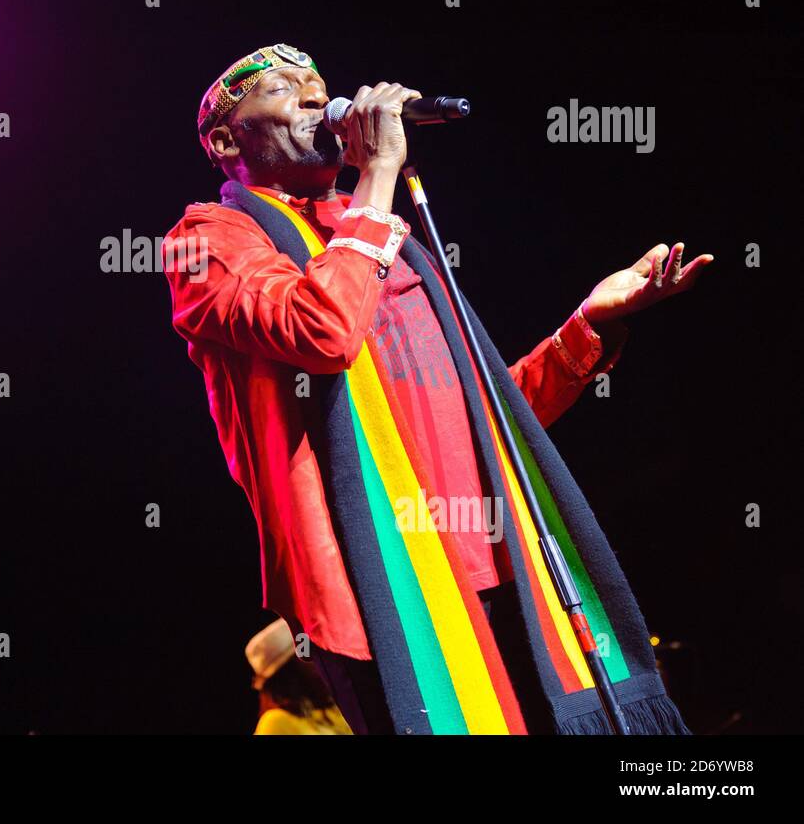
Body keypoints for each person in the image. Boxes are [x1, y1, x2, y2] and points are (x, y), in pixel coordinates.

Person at [163, 44, 711, 734]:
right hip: (383, 585)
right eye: (283, 88)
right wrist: (381, 175)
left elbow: (486, 419)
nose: (313, 97)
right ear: (224, 140)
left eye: (318, 84)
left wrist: (588, 325)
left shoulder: (380, 234)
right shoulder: (207, 240)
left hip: (502, 557)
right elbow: (322, 333)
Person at [247, 618, 352, 735]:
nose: (318, 659)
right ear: (290, 673)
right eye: (307, 654)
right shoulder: (276, 722)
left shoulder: (335, 709)